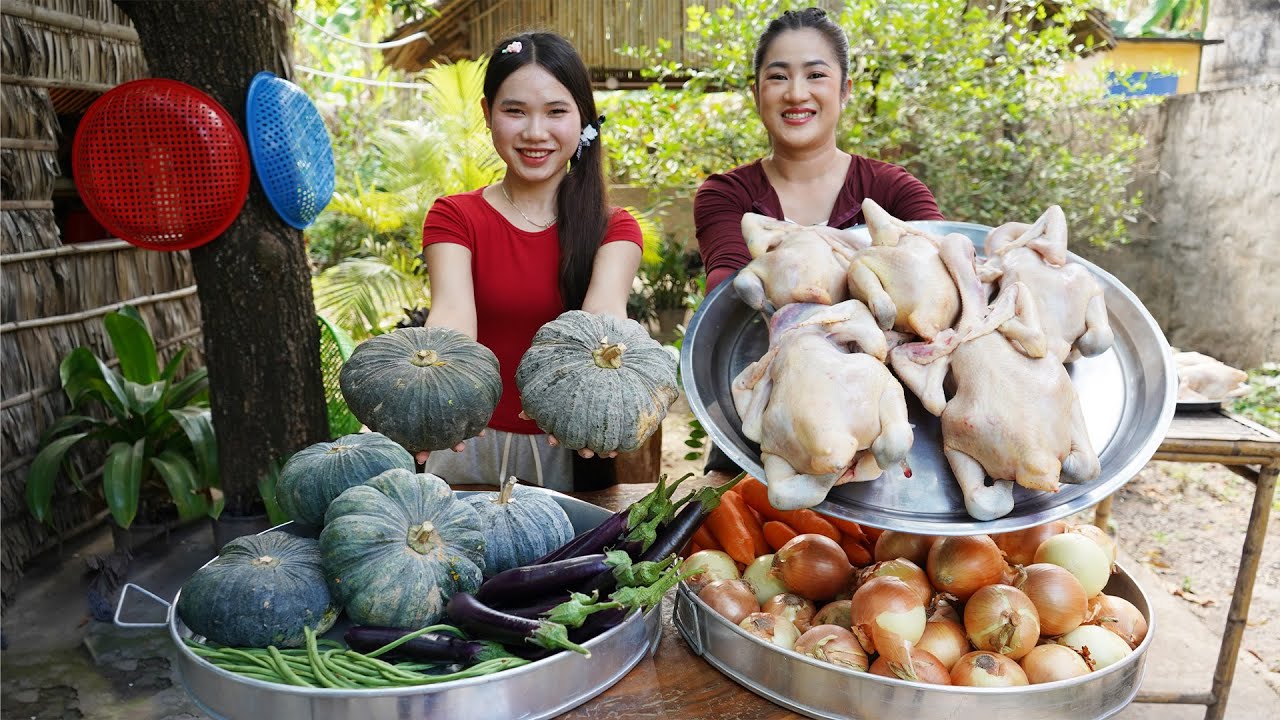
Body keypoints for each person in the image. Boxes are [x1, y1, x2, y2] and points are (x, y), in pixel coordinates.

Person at [693, 7, 944, 482]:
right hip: (764, 425)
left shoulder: (895, 193)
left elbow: (936, 296)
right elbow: (725, 295)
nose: (796, 93)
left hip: (879, 436)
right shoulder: (727, 195)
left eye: (815, 74)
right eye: (778, 77)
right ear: (756, 93)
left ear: (845, 89)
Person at [417, 32, 643, 492]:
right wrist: (445, 399)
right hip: (464, 440)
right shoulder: (455, 216)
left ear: (583, 118)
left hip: (566, 445)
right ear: (487, 114)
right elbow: (453, 319)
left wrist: (604, 403)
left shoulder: (614, 228)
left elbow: (603, 322)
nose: (535, 132)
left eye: (556, 112)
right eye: (514, 110)